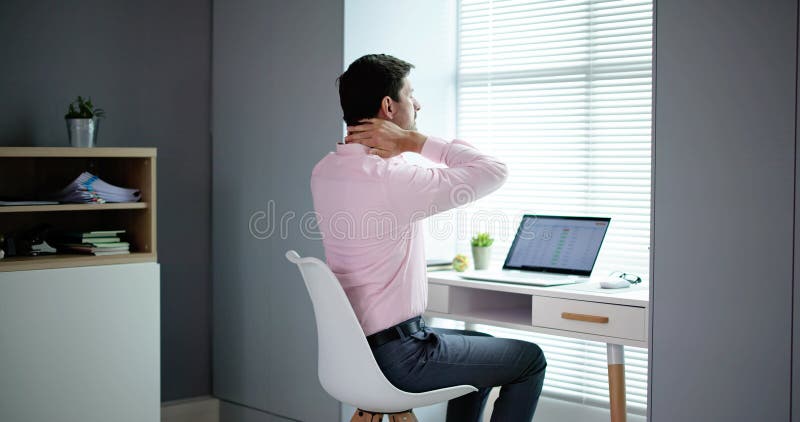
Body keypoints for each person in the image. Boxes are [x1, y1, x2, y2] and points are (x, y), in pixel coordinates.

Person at [310, 54, 546, 421]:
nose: (417, 103)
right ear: (389, 106)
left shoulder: (325, 171)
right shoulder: (391, 178)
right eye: (410, 93)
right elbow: (493, 171)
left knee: (482, 349)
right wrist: (415, 141)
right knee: (530, 359)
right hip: (401, 357)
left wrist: (396, 144)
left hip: (355, 353)